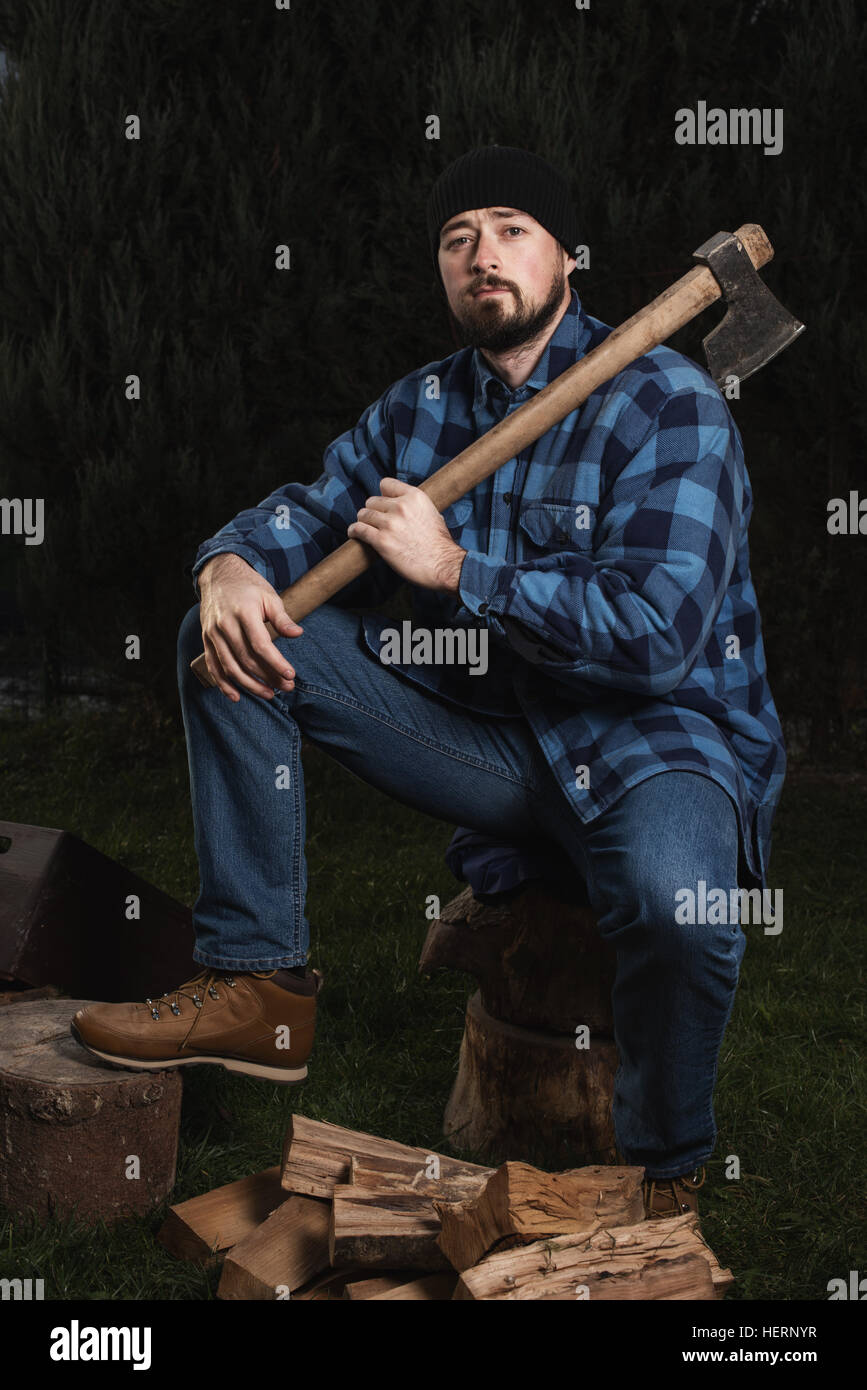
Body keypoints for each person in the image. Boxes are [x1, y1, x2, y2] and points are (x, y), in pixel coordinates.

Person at [70, 145, 786, 1220]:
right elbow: (311, 514)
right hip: (490, 740)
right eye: (457, 238)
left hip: (656, 742)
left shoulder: (669, 404)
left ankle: (668, 1167)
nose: (480, 255)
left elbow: (658, 639)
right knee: (226, 636)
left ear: (566, 258)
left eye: (509, 228)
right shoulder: (421, 410)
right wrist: (227, 564)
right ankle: (259, 978)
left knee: (682, 913)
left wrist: (458, 570)